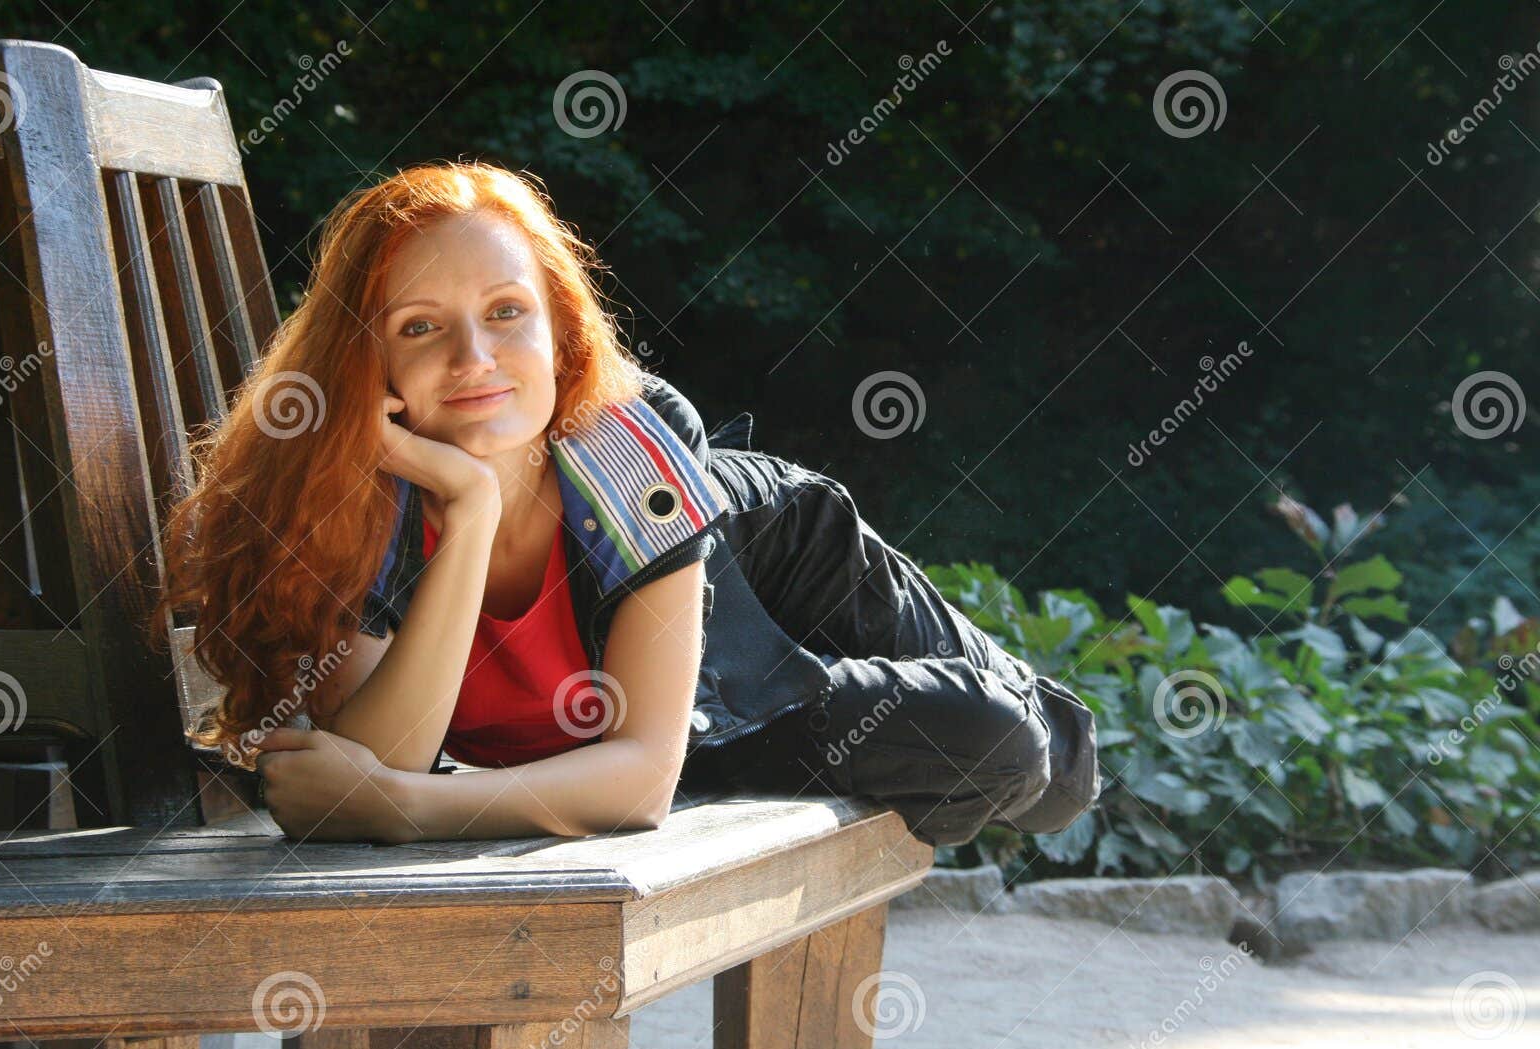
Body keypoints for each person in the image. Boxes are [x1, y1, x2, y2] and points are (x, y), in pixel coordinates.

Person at [157, 160, 1101, 849]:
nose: (474, 358)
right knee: (1000, 747)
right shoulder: (343, 503)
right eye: (419, 327)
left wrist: (419, 807)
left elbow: (626, 779)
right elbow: (384, 753)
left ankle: (1038, 731)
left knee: (1053, 758)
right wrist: (470, 508)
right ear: (365, 361)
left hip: (760, 552)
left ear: (560, 328)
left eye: (506, 312)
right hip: (664, 703)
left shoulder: (633, 432)